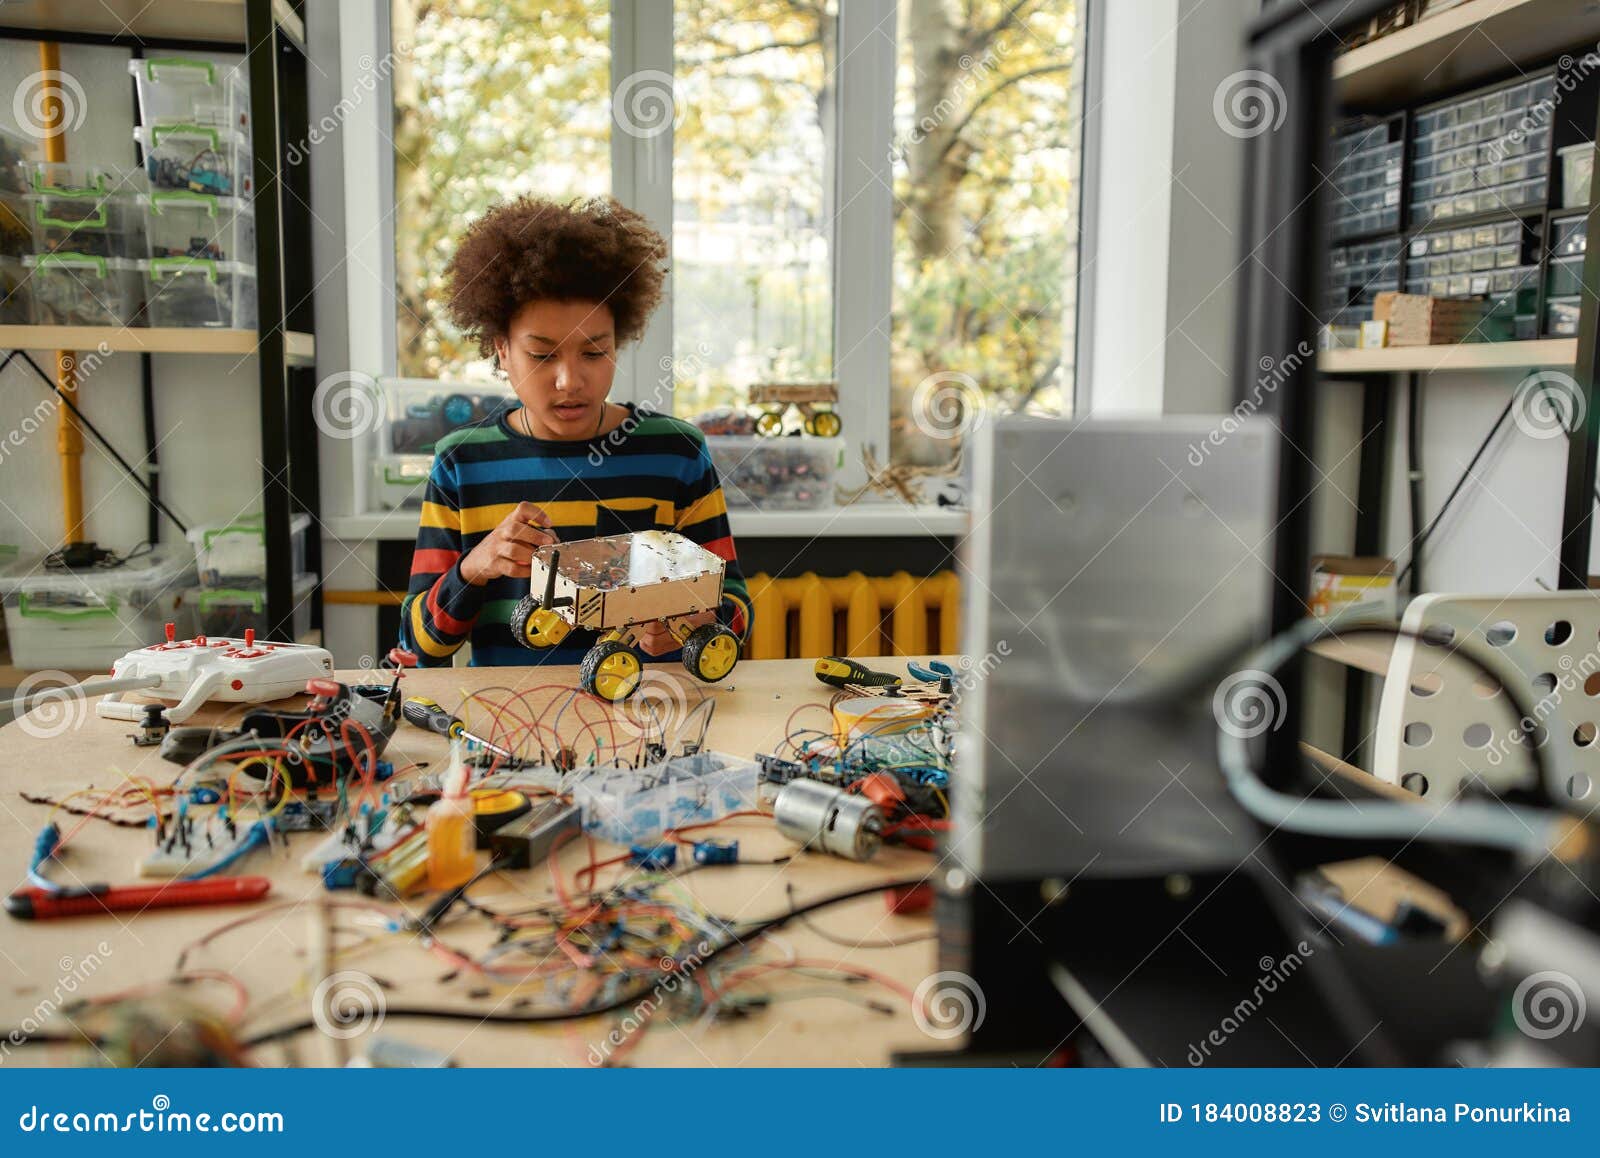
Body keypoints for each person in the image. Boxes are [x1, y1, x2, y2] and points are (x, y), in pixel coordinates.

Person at [399, 195, 752, 668]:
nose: (570, 381)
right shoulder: (461, 462)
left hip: (651, 722)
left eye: (593, 353)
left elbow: (736, 607)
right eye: (543, 356)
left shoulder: (677, 453)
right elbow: (419, 644)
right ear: (502, 351)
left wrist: (701, 622)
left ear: (618, 344)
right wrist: (474, 567)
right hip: (514, 721)